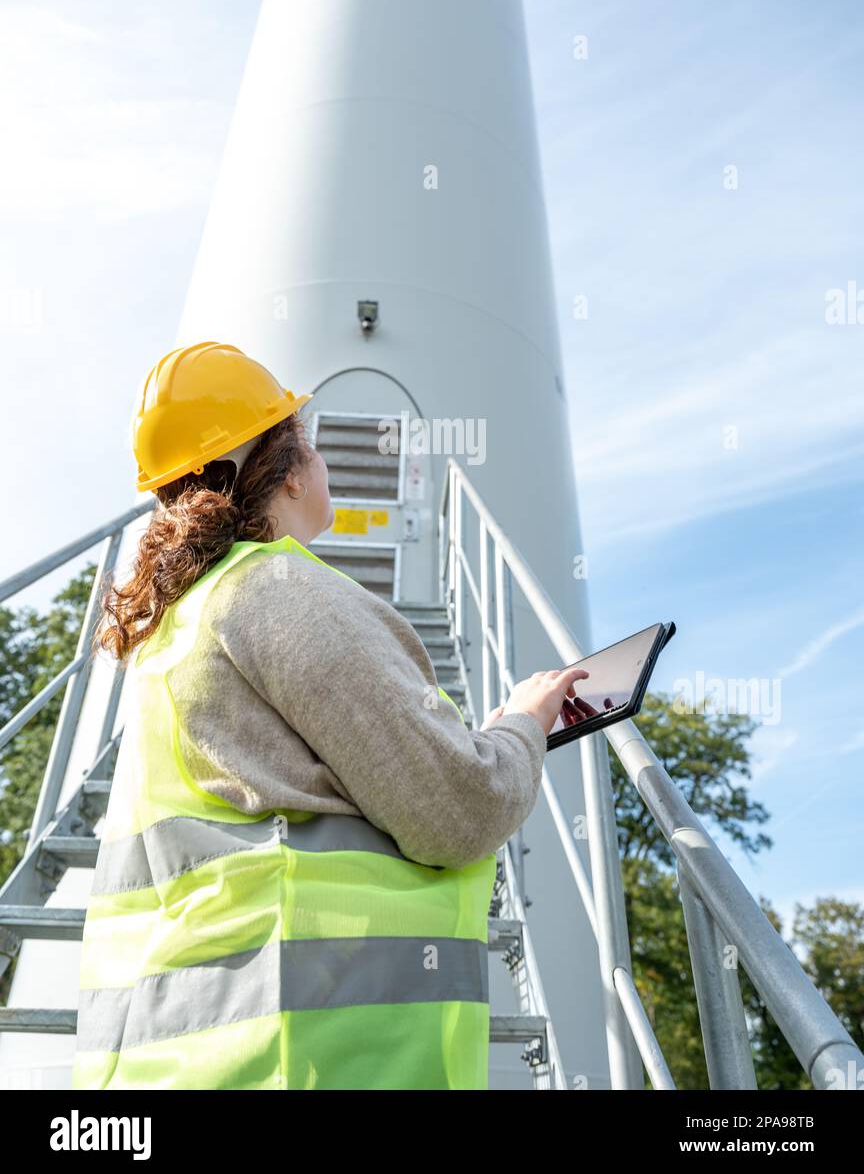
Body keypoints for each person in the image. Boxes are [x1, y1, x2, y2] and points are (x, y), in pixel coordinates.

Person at [71, 340, 587, 1091]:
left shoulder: (173, 630)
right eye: (305, 440)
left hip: (179, 1062)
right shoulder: (275, 592)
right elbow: (458, 809)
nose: (320, 460)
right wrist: (525, 725)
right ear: (282, 470)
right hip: (312, 1058)